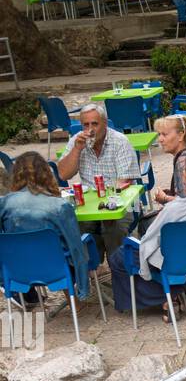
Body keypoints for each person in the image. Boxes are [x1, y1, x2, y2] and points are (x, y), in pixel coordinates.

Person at [108, 151, 186, 321]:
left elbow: (148, 241)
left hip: (174, 262)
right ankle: (176, 294)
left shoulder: (173, 210)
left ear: (184, 176)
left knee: (119, 256)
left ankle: (170, 294)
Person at [0, 151, 91, 297]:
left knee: (16, 245)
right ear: (46, 174)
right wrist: (83, 288)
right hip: (57, 269)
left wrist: (3, 280)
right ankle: (75, 301)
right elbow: (76, 249)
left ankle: (27, 296)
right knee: (73, 245)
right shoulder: (59, 206)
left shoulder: (4, 204)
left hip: (18, 270)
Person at [56, 101, 139, 262]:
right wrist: (77, 149)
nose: (90, 129)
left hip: (120, 203)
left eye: (95, 124)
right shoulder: (76, 141)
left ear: (105, 123)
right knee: (73, 227)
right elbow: (64, 174)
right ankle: (89, 268)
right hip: (88, 205)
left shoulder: (119, 141)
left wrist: (108, 206)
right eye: (85, 125)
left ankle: (120, 269)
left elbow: (124, 181)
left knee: (113, 227)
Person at [152, 114, 186, 206]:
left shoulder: (185, 162)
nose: (160, 139)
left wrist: (165, 198)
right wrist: (170, 192)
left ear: (181, 135)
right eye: (159, 134)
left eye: (164, 134)